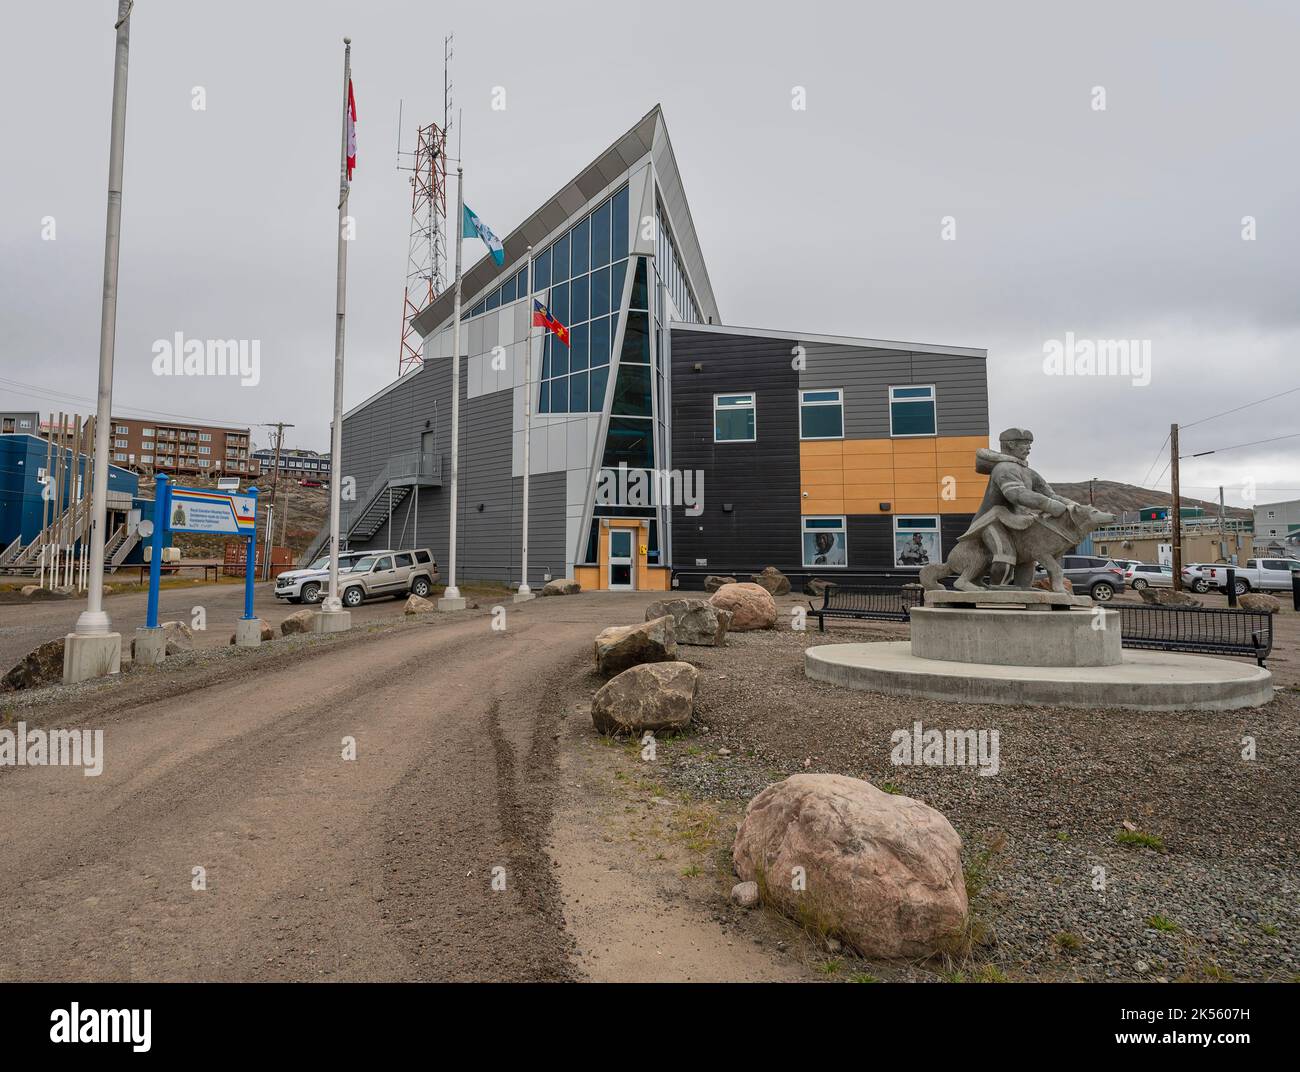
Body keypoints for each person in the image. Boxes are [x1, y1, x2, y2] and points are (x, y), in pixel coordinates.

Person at [956, 428, 1073, 586]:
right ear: (1010, 444)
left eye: (1029, 444)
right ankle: (998, 593)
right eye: (1025, 443)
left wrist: (1073, 507)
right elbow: (1016, 494)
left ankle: (1022, 591)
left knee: (1027, 557)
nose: (1029, 448)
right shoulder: (1003, 468)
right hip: (993, 521)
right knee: (1005, 555)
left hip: (1018, 523)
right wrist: (1050, 505)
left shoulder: (1029, 472)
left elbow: (1051, 494)